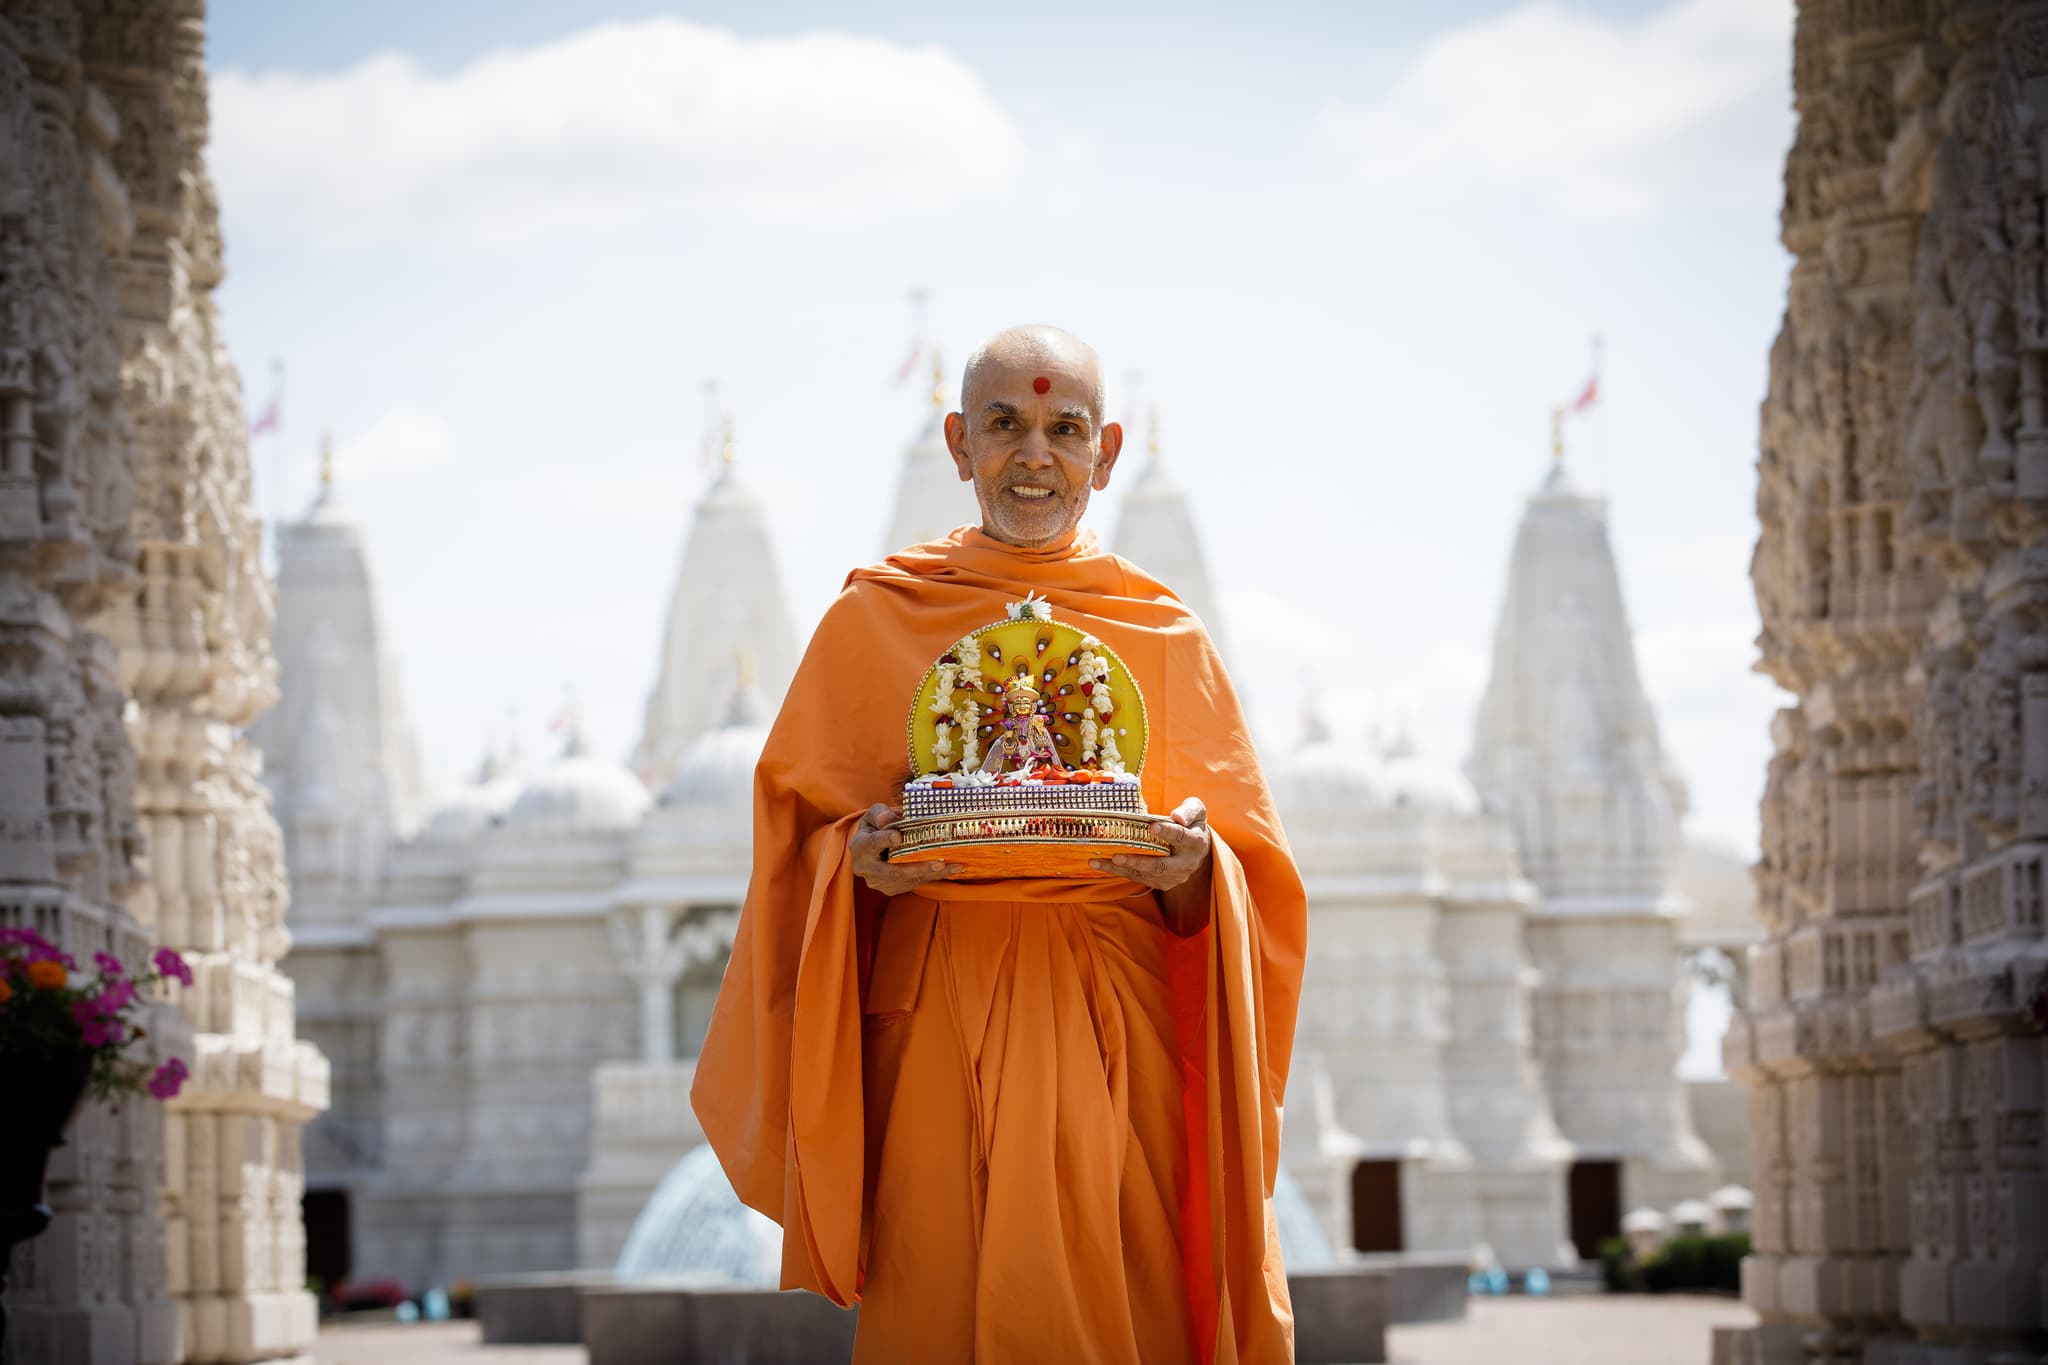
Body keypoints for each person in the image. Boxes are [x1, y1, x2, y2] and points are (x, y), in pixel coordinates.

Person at [691, 324, 1306, 1363]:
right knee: (947, 1295)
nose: (1034, 456)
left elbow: (1249, 875)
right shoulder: (876, 621)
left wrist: (1199, 875)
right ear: (956, 442)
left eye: (1064, 430)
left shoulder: (1160, 635)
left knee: (1131, 1299)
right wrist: (856, 862)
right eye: (1004, 425)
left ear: (1104, 454)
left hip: (1117, 1023)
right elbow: (796, 847)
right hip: (936, 1016)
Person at [976, 680, 1061, 775]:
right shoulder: (1010, 723)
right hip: (1016, 753)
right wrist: (1008, 739)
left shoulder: (1037, 721)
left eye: (1025, 703)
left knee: (1032, 771)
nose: (1022, 706)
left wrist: (1040, 731)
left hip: (1034, 753)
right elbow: (1008, 748)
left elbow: (1043, 744)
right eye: (1018, 704)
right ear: (1012, 708)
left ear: (1033, 707)